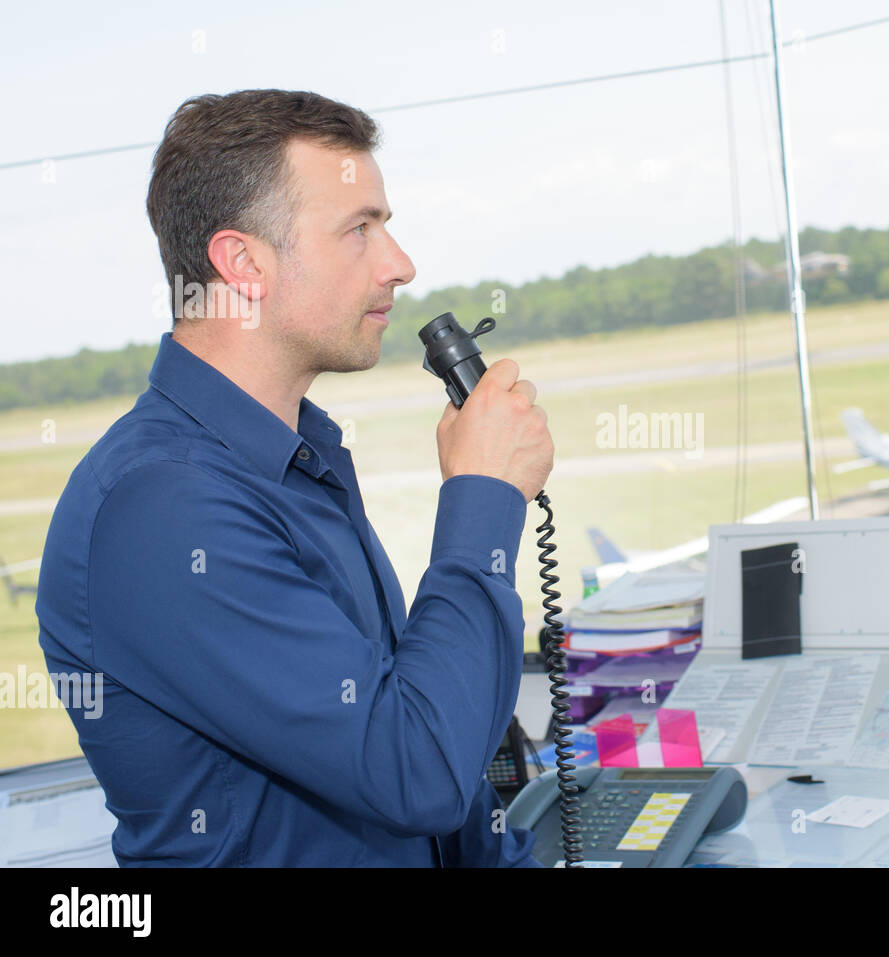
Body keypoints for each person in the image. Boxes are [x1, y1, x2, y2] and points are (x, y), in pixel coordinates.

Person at [35, 89, 553, 866]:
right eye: (360, 230)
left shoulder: (295, 461)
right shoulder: (162, 507)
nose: (400, 264)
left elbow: (420, 741)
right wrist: (483, 497)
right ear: (242, 262)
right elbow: (416, 771)